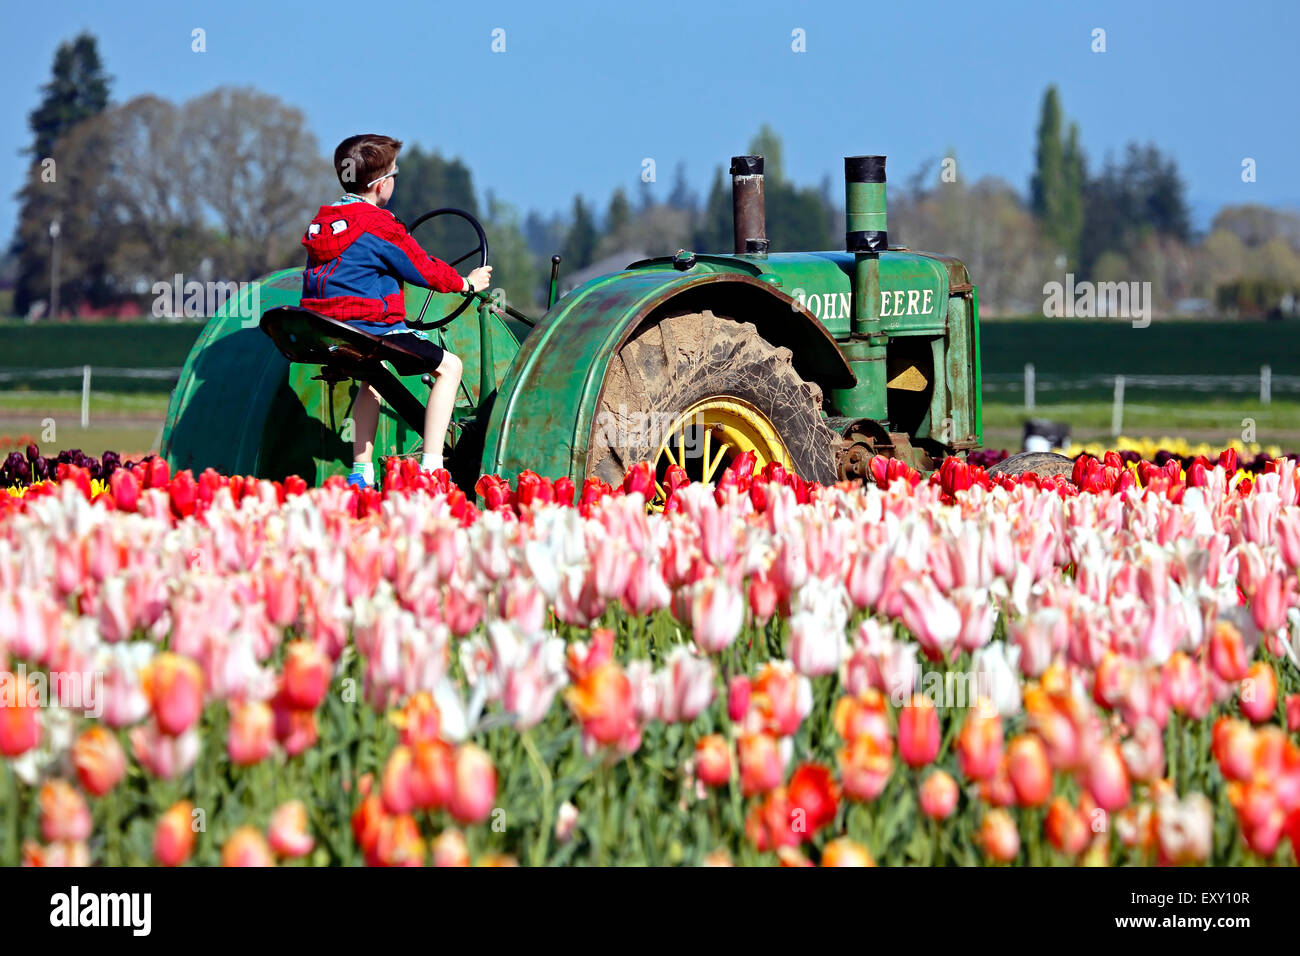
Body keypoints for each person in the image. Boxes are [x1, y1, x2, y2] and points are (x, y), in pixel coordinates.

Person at [300, 133, 491, 487]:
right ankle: (433, 468)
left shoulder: (324, 222)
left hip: (327, 326)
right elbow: (423, 268)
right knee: (450, 368)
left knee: (371, 379)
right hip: (369, 326)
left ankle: (362, 471)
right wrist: (467, 284)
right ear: (380, 184)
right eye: (394, 175)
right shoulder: (379, 224)